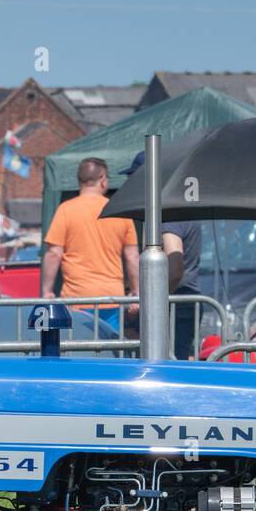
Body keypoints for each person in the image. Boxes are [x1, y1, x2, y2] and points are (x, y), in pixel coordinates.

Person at [41, 157, 139, 337]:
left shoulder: (66, 210)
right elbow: (132, 256)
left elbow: (54, 253)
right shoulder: (118, 211)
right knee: (111, 352)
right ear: (102, 179)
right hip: (112, 297)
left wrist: (47, 290)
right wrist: (136, 291)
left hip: (76, 298)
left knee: (78, 351)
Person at [119, 150, 203, 358]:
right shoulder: (175, 209)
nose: (131, 185)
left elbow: (175, 266)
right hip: (181, 303)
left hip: (176, 305)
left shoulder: (167, 215)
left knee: (169, 367)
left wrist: (151, 301)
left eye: (134, 178)